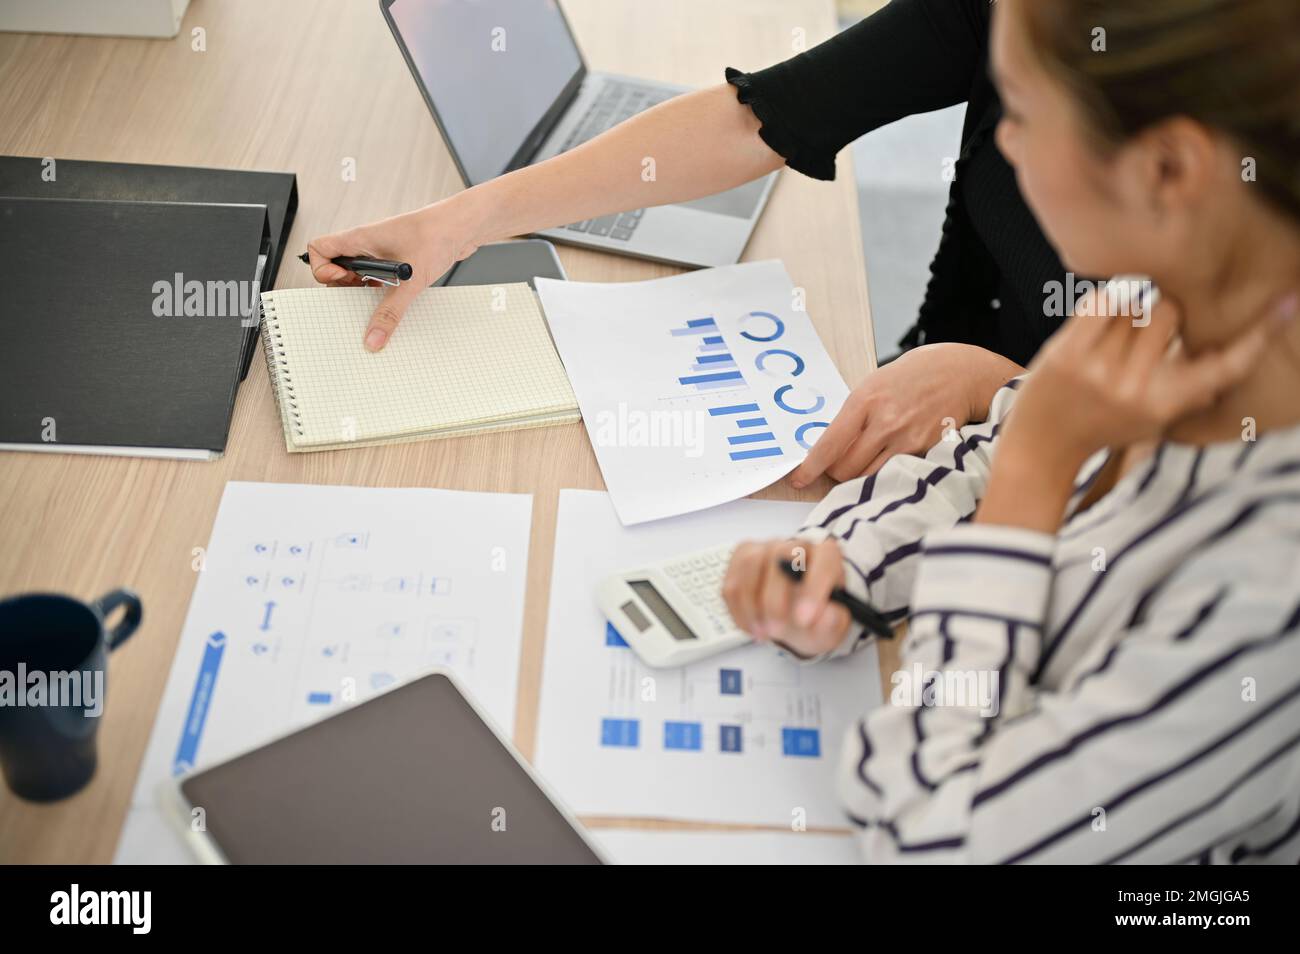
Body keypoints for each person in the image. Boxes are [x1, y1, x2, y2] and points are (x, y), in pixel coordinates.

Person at [722, 0, 1300, 863]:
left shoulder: (1268, 595)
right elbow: (984, 455)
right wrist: (845, 570)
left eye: (1022, 114)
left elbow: (936, 843)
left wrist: (1032, 476)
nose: (1005, 143)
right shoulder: (1168, 302)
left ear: (1169, 168)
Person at [308, 0, 1065, 487]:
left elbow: (1183, 433)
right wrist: (464, 221)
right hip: (954, 373)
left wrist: (996, 388)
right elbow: (764, 118)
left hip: (1072, 459)